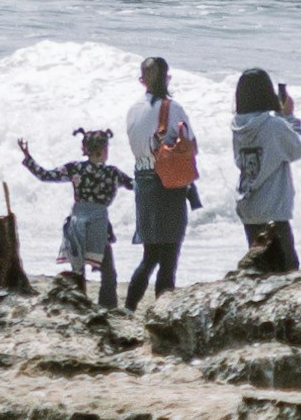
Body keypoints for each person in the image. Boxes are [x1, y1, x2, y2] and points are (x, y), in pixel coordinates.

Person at [18, 124, 131, 307]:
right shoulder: (112, 173)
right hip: (98, 226)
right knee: (108, 272)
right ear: (103, 149)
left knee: (78, 271)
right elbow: (135, 185)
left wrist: (28, 158)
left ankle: (80, 306)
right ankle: (108, 308)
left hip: (77, 224)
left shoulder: (75, 168)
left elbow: (46, 175)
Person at [124, 56, 198, 304]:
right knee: (169, 257)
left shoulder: (133, 109)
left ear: (142, 80)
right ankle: (162, 310)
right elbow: (191, 144)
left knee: (150, 255)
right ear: (166, 78)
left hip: (143, 181)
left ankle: (129, 308)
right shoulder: (173, 108)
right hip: (168, 184)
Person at [229, 67, 301, 275]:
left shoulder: (238, 124)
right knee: (288, 271)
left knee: (259, 269)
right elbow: (300, 147)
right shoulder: (273, 124)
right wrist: (290, 117)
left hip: (248, 205)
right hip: (272, 208)